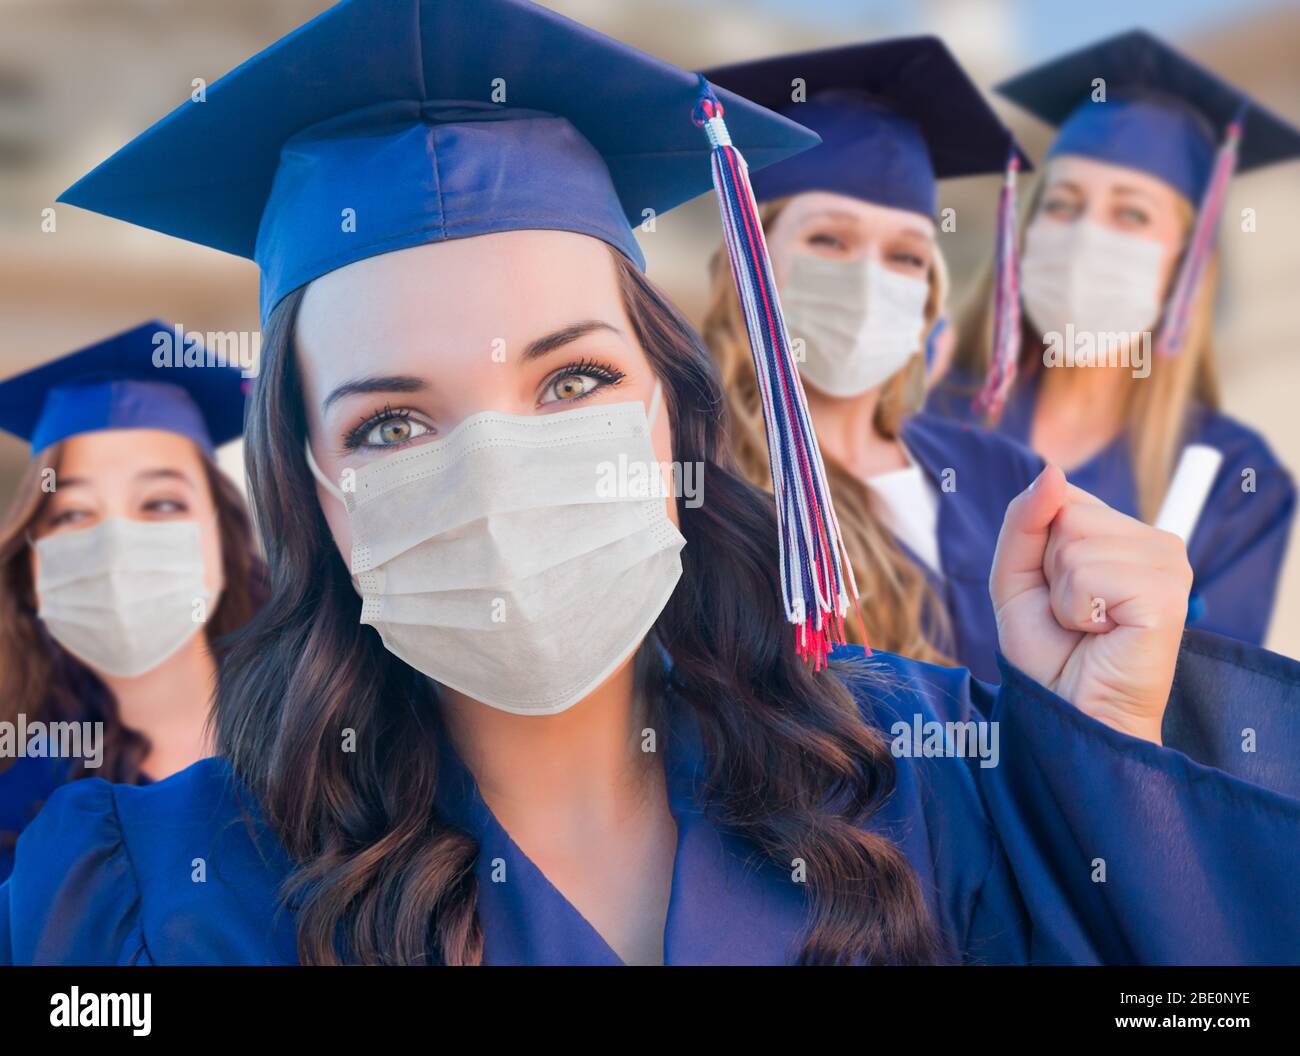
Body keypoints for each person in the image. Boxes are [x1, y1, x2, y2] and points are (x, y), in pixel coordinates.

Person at [4, 0, 1300, 966]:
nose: (499, 469)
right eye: (393, 423)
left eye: (570, 383)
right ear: (316, 496)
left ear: (675, 415)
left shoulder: (924, 773)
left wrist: (1108, 768)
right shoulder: (157, 896)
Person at [927, 29, 1298, 646]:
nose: (1082, 241)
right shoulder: (932, 414)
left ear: (1187, 266)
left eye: (1130, 214)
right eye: (1063, 205)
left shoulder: (1238, 483)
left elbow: (1203, 723)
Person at [700, 38, 1044, 680]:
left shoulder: (1004, 474)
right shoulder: (696, 486)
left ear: (929, 295)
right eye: (829, 239)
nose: (868, 280)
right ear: (750, 261)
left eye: (906, 256)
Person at [0, 322, 265, 882]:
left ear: (221, 537)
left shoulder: (330, 742)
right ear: (34, 559)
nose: (116, 543)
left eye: (162, 504)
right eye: (72, 514)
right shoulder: (18, 783)